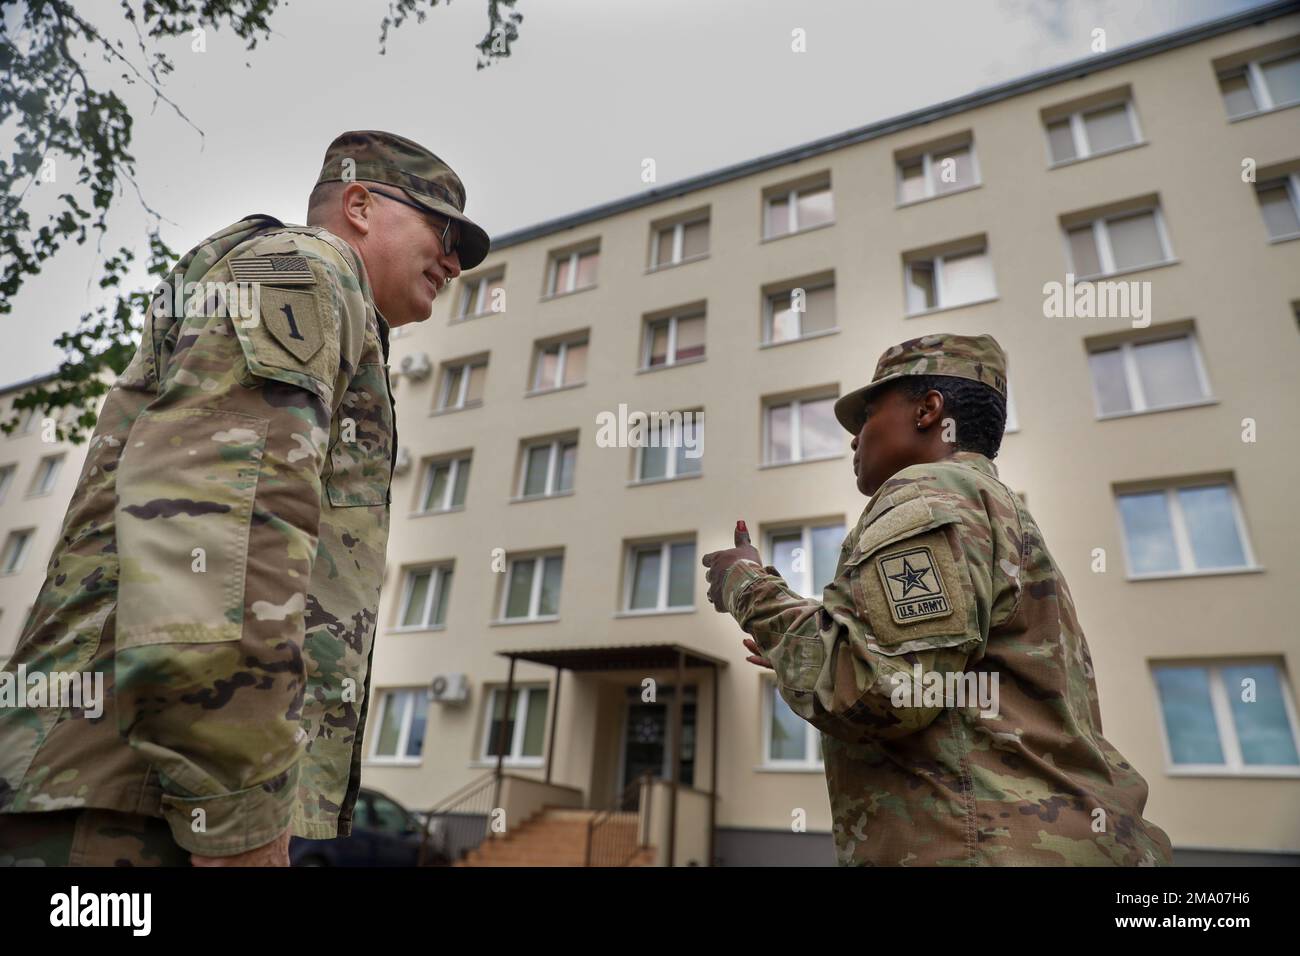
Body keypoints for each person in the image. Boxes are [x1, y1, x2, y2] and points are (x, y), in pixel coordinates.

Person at [0, 130, 489, 867]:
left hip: (124, 783)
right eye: (442, 230)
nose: (453, 261)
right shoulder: (304, 272)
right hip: (129, 801)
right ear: (358, 205)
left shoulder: (322, 300)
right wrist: (237, 814)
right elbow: (216, 525)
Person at [702, 332, 1173, 866]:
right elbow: (931, 666)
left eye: (867, 417)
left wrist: (746, 586)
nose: (854, 440)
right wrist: (812, 642)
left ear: (929, 410)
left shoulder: (927, 495)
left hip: (979, 849)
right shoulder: (986, 505)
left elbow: (882, 692)